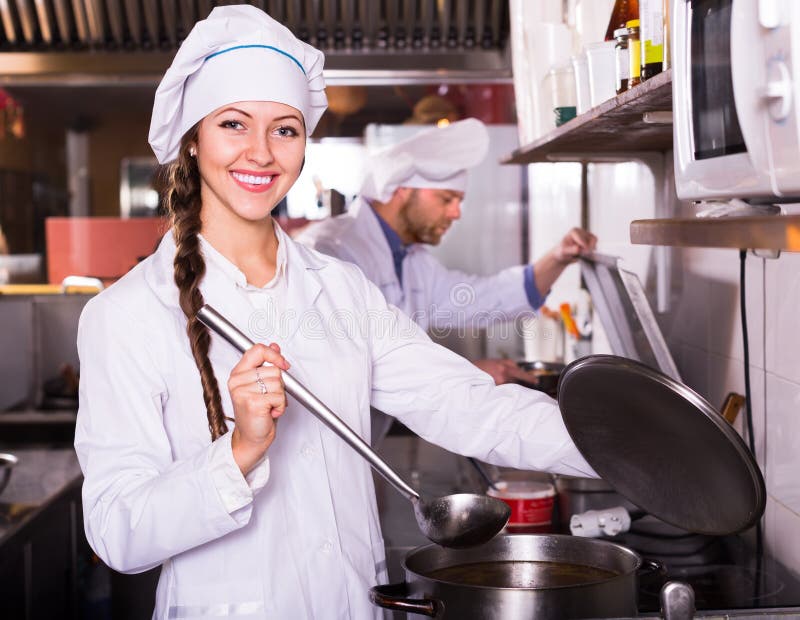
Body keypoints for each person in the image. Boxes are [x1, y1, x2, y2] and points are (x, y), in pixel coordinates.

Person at [74, 6, 595, 619]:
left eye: (285, 129)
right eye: (234, 124)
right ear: (193, 138)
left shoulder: (342, 290)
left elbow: (468, 406)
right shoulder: (127, 315)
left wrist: (632, 446)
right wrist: (239, 451)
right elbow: (116, 532)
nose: (262, 153)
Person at [297, 119, 597, 387]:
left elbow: (482, 299)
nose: (456, 213)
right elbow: (338, 363)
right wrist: (465, 373)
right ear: (402, 190)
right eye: (447, 199)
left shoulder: (411, 260)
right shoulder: (330, 249)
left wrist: (558, 258)